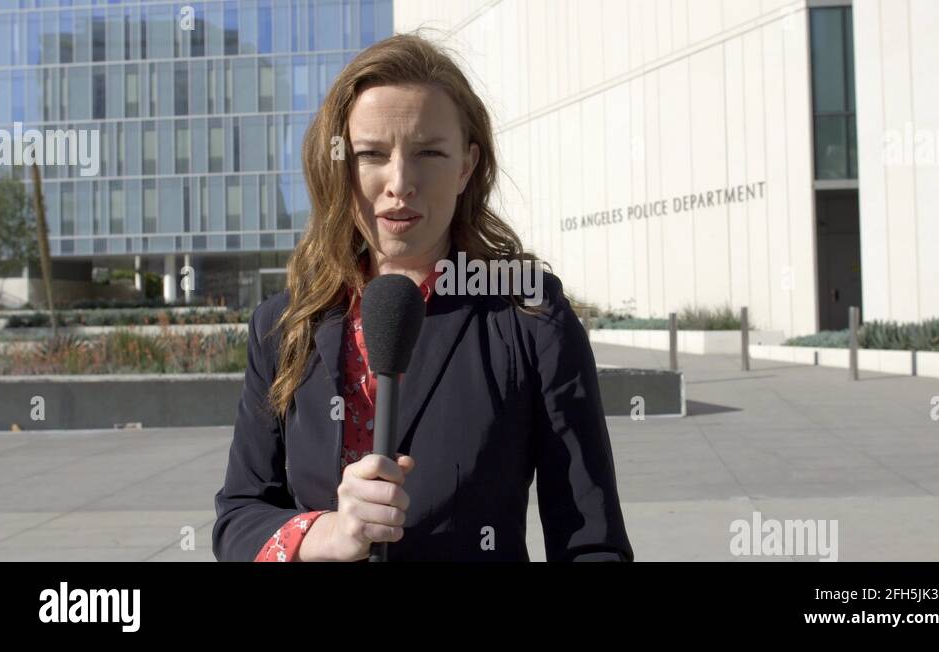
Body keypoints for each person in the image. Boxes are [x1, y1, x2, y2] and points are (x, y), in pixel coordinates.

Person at [212, 32, 633, 562]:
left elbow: (592, 542)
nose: (400, 182)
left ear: (466, 166)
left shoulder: (528, 316)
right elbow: (238, 522)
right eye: (371, 154)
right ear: (340, 165)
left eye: (429, 152)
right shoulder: (284, 324)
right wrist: (332, 532)